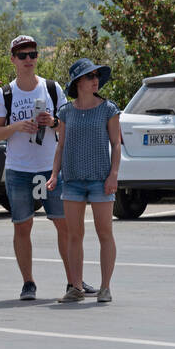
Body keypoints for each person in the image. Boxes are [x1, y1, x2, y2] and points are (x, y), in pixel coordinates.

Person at [0, 35, 84, 300]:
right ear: (13, 60)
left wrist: (52, 121)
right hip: (19, 169)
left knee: (63, 224)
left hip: (50, 168)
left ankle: (73, 281)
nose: (28, 60)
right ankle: (28, 282)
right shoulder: (5, 93)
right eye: (22, 56)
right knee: (22, 225)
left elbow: (67, 125)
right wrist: (18, 127)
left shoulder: (51, 89)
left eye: (32, 54)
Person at [47, 59, 121, 304]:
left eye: (97, 76)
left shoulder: (109, 109)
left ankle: (105, 287)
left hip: (101, 179)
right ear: (78, 82)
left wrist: (113, 175)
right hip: (73, 180)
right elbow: (60, 146)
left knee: (104, 232)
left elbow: (116, 144)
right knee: (74, 235)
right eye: (90, 76)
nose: (95, 80)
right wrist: (54, 174)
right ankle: (76, 287)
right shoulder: (66, 112)